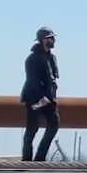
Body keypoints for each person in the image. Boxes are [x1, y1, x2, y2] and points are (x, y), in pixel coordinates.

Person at [20, 26, 60, 161]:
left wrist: (51, 97)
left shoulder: (52, 58)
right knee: (32, 128)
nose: (53, 40)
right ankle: (26, 159)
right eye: (50, 38)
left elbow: (52, 79)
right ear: (43, 40)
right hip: (34, 98)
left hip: (49, 99)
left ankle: (40, 158)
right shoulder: (32, 59)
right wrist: (41, 98)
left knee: (54, 124)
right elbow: (32, 80)